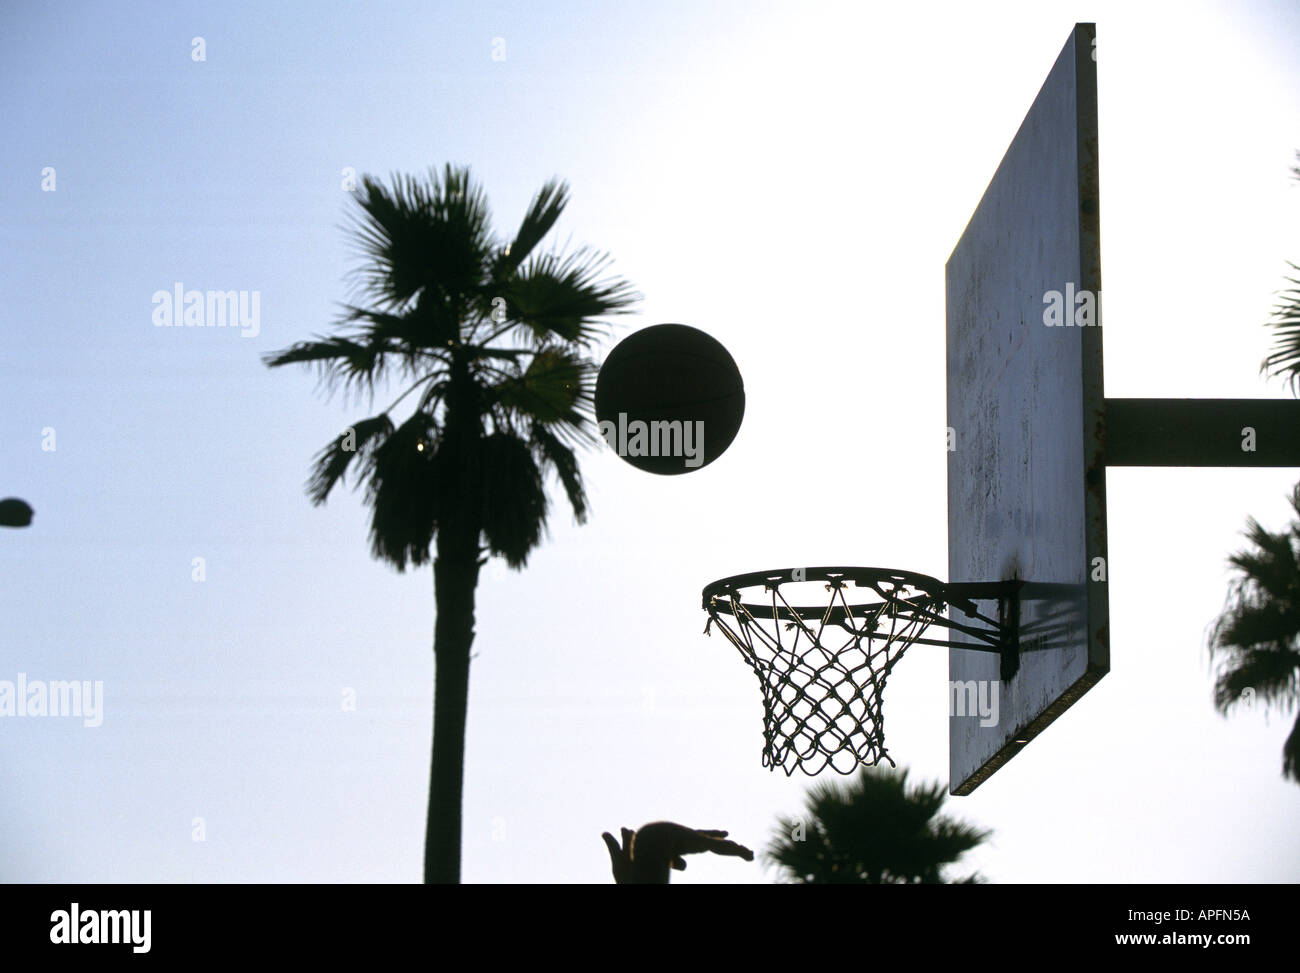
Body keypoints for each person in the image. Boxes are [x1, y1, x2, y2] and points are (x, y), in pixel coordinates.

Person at [601, 822, 753, 884]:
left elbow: (706, 842)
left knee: (704, 842)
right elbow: (703, 841)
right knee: (703, 842)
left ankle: (735, 849)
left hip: (656, 840)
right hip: (654, 841)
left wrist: (740, 851)